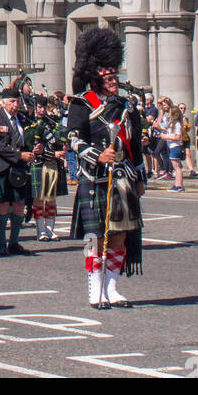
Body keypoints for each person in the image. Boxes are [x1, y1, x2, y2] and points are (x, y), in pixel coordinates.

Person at [67, 27, 145, 308]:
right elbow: (72, 140)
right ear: (96, 77)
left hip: (123, 178)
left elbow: (135, 146)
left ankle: (113, 288)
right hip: (95, 178)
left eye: (115, 76)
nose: (114, 81)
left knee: (119, 235)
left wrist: (141, 176)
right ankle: (95, 289)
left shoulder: (127, 106)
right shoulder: (82, 104)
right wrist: (98, 156)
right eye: (109, 77)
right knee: (95, 237)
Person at [0, 88, 34, 256]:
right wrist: (19, 154)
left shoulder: (23, 118)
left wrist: (35, 149)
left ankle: (14, 242)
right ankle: (1, 243)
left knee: (20, 204)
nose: (15, 104)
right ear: (3, 102)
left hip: (20, 168)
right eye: (12, 101)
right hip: (2, 167)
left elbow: (28, 139)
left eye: (17, 101)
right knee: (3, 204)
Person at [27, 95, 68, 240]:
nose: (41, 110)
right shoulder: (28, 123)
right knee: (38, 199)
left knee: (51, 198)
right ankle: (41, 230)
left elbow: (60, 140)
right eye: (39, 107)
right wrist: (52, 153)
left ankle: (50, 229)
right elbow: (30, 146)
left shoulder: (52, 123)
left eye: (44, 107)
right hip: (37, 164)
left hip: (52, 165)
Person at [166, 107, 185, 191]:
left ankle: (179, 186)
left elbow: (177, 137)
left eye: (170, 112)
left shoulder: (177, 124)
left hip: (175, 146)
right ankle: (177, 184)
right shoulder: (173, 124)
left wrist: (166, 136)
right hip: (173, 146)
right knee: (176, 167)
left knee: (177, 167)